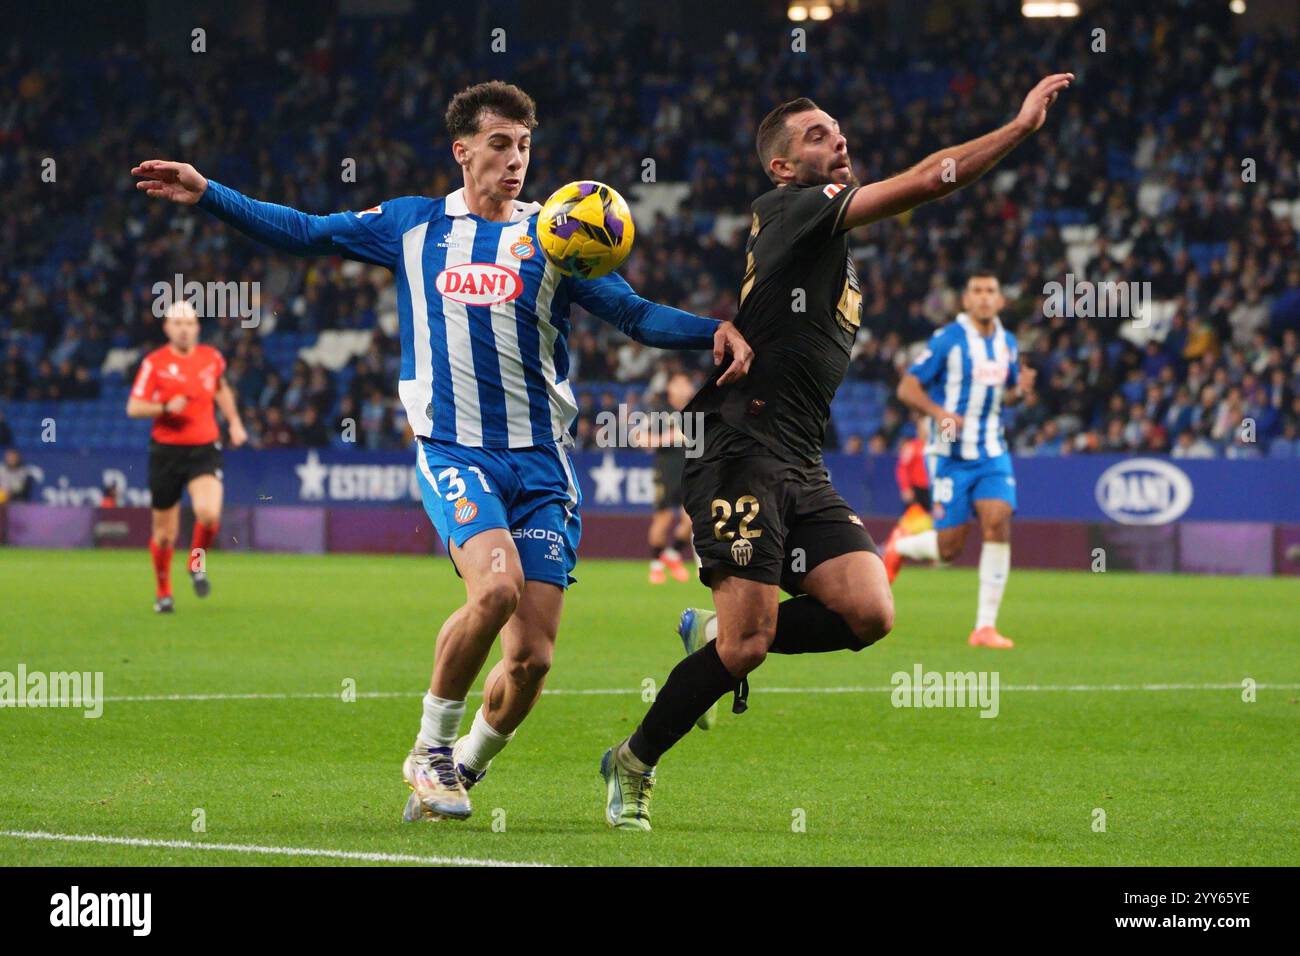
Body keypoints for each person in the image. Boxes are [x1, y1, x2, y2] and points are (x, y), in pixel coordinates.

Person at [133, 80, 752, 823]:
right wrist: (207, 193)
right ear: (462, 151)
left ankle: (459, 769)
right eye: (500, 144)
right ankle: (428, 749)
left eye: (524, 145)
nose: (516, 159)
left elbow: (634, 314)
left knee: (531, 661)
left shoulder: (555, 236)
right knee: (493, 590)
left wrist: (712, 329)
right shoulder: (411, 225)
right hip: (456, 449)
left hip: (543, 465)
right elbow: (301, 231)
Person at [600, 73, 1072, 830]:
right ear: (782, 167)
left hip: (798, 459)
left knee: (868, 612)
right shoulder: (792, 209)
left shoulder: (830, 242)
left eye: (837, 129)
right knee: (750, 645)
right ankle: (633, 761)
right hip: (738, 451)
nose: (837, 139)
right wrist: (1018, 129)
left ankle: (715, 630)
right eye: (815, 136)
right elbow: (925, 182)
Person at [884, 273, 1037, 649]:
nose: (984, 298)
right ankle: (899, 546)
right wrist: (939, 413)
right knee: (949, 549)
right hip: (951, 454)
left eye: (991, 291)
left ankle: (984, 627)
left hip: (992, 452)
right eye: (977, 292)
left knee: (998, 521)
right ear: (966, 301)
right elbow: (907, 387)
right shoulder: (948, 340)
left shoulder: (1008, 344)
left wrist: (1021, 392)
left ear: (1001, 301)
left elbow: (1009, 396)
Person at [126, 300, 248, 613]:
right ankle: (163, 591)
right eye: (177, 323)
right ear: (167, 328)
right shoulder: (155, 362)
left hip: (203, 449)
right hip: (165, 453)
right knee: (165, 535)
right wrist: (165, 407)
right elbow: (134, 407)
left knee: (209, 514)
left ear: (197, 327)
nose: (183, 329)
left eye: (189, 323)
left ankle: (196, 562)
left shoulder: (211, 358)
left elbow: (221, 389)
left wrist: (233, 422)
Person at [643, 371, 696, 584]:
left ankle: (672, 555)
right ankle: (656, 565)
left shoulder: (697, 412)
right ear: (670, 388)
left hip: (691, 473)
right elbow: (643, 441)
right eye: (679, 383)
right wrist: (670, 437)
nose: (684, 387)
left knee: (691, 519)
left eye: (687, 383)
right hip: (666, 473)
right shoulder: (660, 412)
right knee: (663, 519)